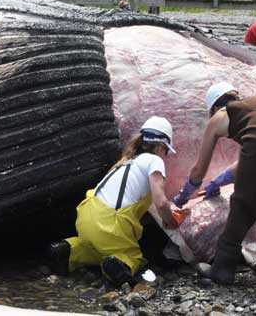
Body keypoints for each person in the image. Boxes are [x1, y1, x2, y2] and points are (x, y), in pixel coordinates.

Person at [175, 82, 256, 284]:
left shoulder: (220, 115)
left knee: (243, 203)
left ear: (213, 107)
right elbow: (254, 156)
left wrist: (184, 195)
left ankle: (222, 268)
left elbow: (199, 170)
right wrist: (220, 180)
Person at [46, 117, 183, 285]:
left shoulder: (125, 160)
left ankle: (68, 251)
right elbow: (161, 202)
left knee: (95, 249)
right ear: (161, 146)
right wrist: (171, 220)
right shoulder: (154, 160)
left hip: (87, 215)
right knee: (133, 257)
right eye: (166, 151)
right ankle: (118, 266)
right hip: (111, 224)